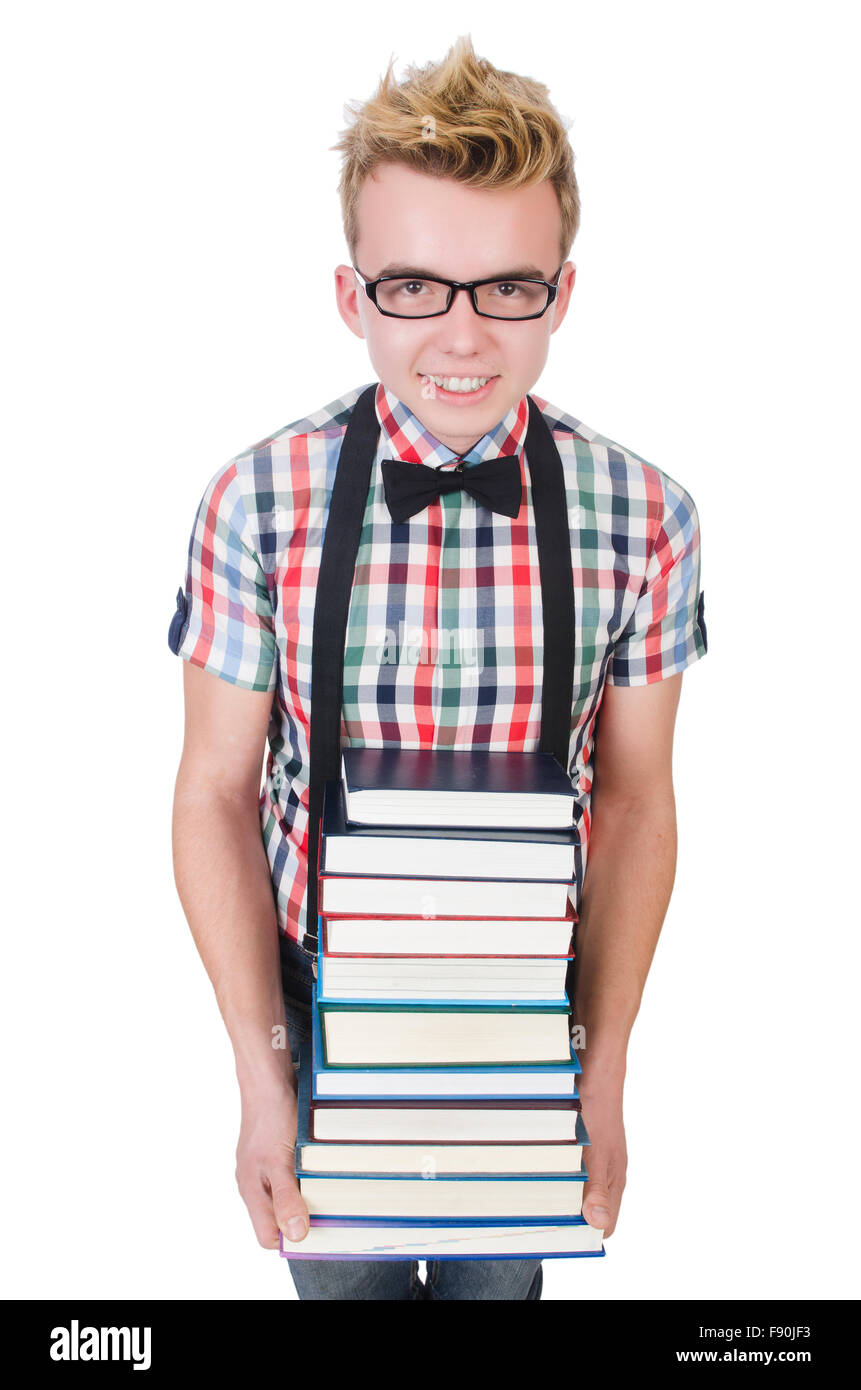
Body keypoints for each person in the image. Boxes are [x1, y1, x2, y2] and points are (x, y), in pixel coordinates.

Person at [169, 34, 708, 1301]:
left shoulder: (647, 514)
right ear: (352, 296)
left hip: (528, 1018)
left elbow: (635, 800)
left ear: (562, 292)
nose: (461, 336)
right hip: (317, 1010)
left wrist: (604, 1063)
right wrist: (260, 1075)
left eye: (506, 289)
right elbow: (212, 795)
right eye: (414, 286)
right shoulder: (258, 501)